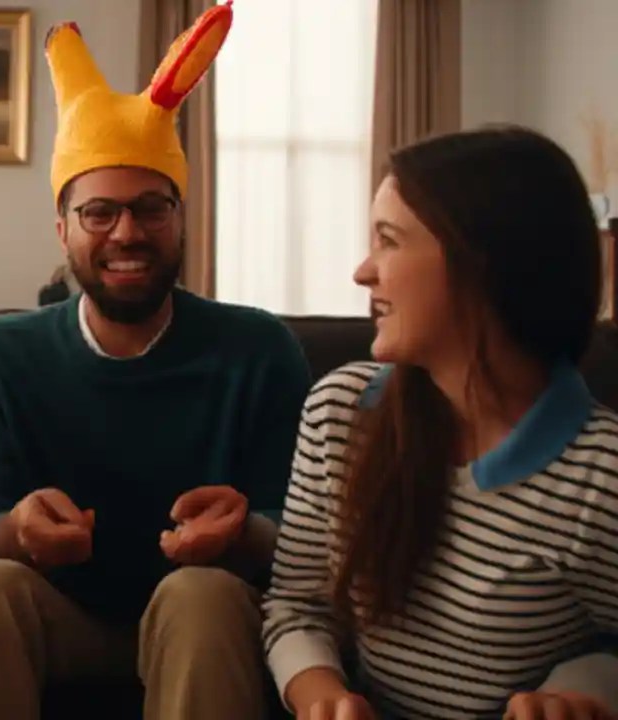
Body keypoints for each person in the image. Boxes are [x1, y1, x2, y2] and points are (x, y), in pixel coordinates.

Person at [0, 8, 312, 720]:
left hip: (206, 618)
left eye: (151, 209)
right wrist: (21, 530)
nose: (127, 233)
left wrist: (245, 530)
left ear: (182, 216)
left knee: (197, 593)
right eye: (99, 213)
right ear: (63, 229)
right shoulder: (1, 354)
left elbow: (301, 527)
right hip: (58, 616)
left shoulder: (259, 350)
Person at [262, 126, 618, 720]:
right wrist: (322, 698)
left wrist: (586, 689)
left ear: (482, 265)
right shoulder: (339, 411)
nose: (362, 272)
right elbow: (298, 604)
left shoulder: (600, 474)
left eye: (389, 241)